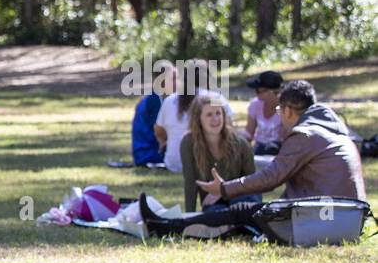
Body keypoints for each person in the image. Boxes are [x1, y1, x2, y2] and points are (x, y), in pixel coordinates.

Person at [141, 80, 368, 237]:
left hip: (325, 221)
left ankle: (167, 226)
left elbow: (270, 177)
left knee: (246, 211)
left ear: (288, 111)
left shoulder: (306, 135)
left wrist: (225, 189)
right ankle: (177, 224)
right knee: (249, 213)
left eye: (280, 111)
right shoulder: (335, 131)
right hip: (349, 220)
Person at [179, 93, 257, 212]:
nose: (215, 119)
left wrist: (224, 190)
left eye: (218, 113)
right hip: (213, 204)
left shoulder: (240, 143)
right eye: (209, 115)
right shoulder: (188, 143)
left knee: (240, 208)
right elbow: (190, 183)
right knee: (215, 215)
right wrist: (189, 218)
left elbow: (253, 183)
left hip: (241, 197)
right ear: (198, 119)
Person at [154, 61, 233, 173]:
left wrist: (168, 141)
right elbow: (229, 129)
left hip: (173, 164)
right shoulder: (215, 99)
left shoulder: (169, 100)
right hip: (206, 166)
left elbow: (159, 131)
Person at [243, 70, 284, 154]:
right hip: (259, 147)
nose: (256, 94)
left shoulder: (286, 107)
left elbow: (287, 138)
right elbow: (249, 134)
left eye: (258, 91)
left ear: (273, 92)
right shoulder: (255, 104)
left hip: (280, 148)